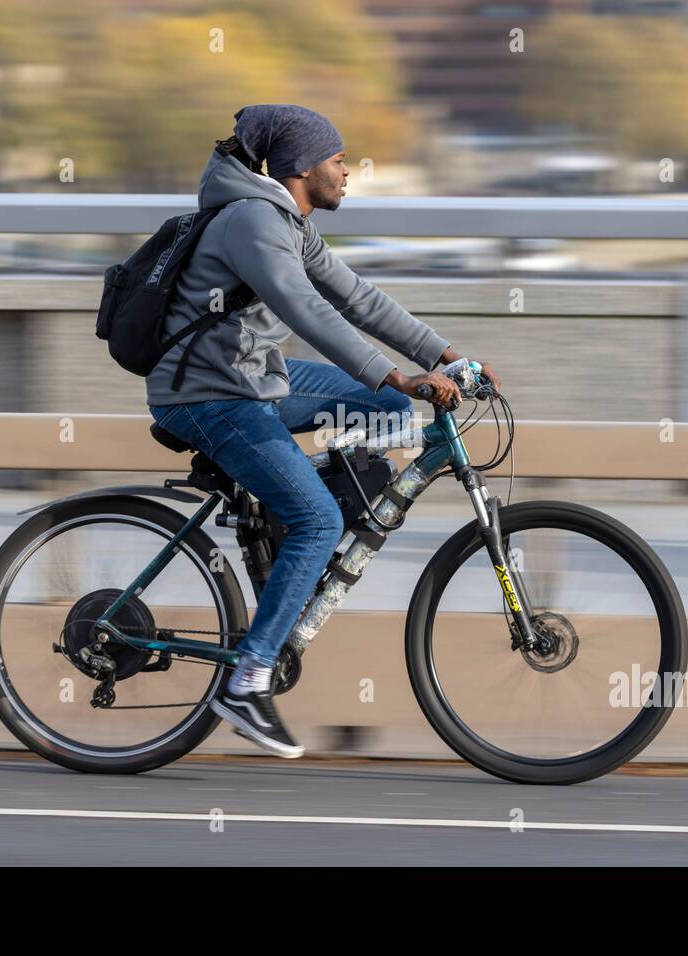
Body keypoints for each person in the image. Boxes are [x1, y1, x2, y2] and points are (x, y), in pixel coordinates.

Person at [147, 104, 500, 758]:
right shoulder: (253, 221)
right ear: (302, 168)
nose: (347, 171)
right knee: (318, 518)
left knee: (390, 419)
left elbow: (356, 298)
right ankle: (246, 681)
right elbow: (304, 310)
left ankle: (288, 534)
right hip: (206, 393)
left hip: (249, 379)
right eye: (338, 160)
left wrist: (447, 356)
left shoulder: (287, 220)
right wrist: (395, 375)